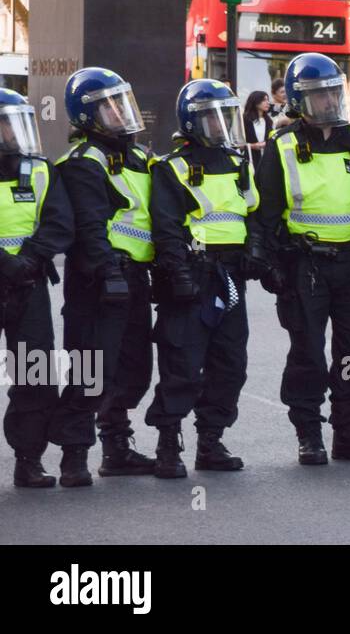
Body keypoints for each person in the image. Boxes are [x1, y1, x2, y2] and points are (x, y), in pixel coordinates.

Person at [250, 52, 350, 465]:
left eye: (333, 93)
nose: (329, 102)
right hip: (304, 265)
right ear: (298, 100)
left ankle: (347, 430)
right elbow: (266, 210)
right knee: (307, 352)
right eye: (319, 95)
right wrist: (270, 262)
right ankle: (309, 432)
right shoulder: (283, 147)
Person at [145, 80, 261, 478]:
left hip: (230, 277)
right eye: (212, 117)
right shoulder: (171, 167)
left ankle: (210, 441)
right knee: (182, 363)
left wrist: (255, 254)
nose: (221, 124)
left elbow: (253, 215)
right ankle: (167, 443)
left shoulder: (236, 163)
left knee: (231, 363)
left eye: (225, 116)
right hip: (193, 275)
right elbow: (166, 228)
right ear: (193, 122)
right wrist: (178, 274)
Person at [48, 68, 156, 486]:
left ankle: (116, 447)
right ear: (86, 117)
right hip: (98, 284)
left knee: (133, 369)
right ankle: (73, 455)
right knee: (91, 370)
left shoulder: (140, 157)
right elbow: (91, 228)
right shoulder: (80, 163)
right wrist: (109, 271)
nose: (118, 113)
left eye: (121, 103)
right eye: (107, 107)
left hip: (136, 279)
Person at [0, 89, 73, 487]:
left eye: (18, 122)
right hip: (12, 273)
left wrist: (28, 259)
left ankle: (28, 458)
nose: (15, 131)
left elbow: (59, 223)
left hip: (27, 283)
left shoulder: (41, 170)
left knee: (36, 373)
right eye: (7, 123)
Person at [243, 90, 273, 170]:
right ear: (255, 102)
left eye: (268, 100)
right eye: (264, 100)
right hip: (250, 160)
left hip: (267, 160)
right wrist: (252, 146)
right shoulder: (245, 119)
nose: (267, 103)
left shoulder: (268, 121)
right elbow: (236, 143)